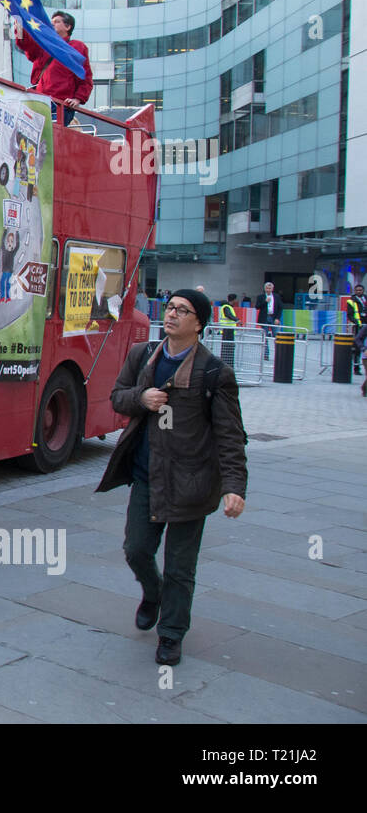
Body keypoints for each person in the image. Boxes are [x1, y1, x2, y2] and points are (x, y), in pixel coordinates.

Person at [96, 288, 247, 667]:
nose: (173, 314)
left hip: (192, 484)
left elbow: (231, 436)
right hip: (148, 477)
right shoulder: (143, 355)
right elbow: (116, 397)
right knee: (137, 551)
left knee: (181, 567)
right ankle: (152, 592)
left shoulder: (215, 373)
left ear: (198, 323)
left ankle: (171, 635)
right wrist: (141, 399)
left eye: (183, 310)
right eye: (171, 308)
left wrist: (234, 487)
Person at [13, 11, 92, 127]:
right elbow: (24, 43)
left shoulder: (77, 47)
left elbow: (85, 76)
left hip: (61, 104)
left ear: (68, 26)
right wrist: (19, 23)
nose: (52, 24)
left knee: (50, 136)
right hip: (40, 100)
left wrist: (78, 99)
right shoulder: (44, 44)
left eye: (57, 22)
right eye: (51, 22)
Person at [256, 281, 283, 361]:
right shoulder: (260, 297)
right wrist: (265, 301)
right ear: (264, 289)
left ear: (272, 289)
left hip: (273, 317)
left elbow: (280, 307)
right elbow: (257, 307)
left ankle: (279, 354)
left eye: (270, 288)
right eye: (267, 288)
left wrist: (277, 318)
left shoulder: (276, 296)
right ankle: (266, 354)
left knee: (276, 336)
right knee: (265, 337)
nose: (268, 289)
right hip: (264, 318)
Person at [347, 283, 366, 375]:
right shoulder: (351, 301)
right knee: (358, 346)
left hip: (366, 325)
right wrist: (357, 322)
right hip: (359, 326)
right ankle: (356, 368)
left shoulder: (365, 299)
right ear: (355, 291)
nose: (359, 291)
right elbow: (350, 315)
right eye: (357, 290)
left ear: (363, 291)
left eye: (360, 290)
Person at [219, 293, 239, 367]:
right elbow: (228, 315)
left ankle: (227, 363)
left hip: (228, 329)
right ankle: (227, 364)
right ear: (234, 300)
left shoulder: (226, 306)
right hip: (227, 330)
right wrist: (237, 320)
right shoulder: (227, 307)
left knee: (228, 347)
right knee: (228, 348)